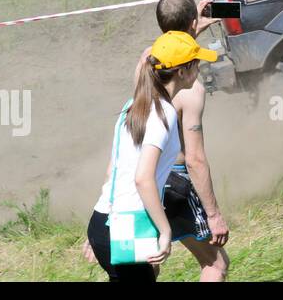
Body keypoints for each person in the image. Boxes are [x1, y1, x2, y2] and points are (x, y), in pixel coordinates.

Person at [85, 31, 217, 282]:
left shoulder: (133, 105)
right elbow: (143, 179)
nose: (199, 68)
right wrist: (165, 230)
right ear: (181, 71)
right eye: (196, 63)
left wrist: (97, 232)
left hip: (104, 221)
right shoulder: (163, 112)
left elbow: (113, 170)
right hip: (128, 224)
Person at [153, 0, 231, 281]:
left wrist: (191, 29)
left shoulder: (147, 64)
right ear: (192, 21)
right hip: (175, 179)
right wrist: (213, 214)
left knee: (148, 262)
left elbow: (169, 51)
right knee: (215, 265)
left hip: (145, 178)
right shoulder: (191, 90)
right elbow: (195, 159)